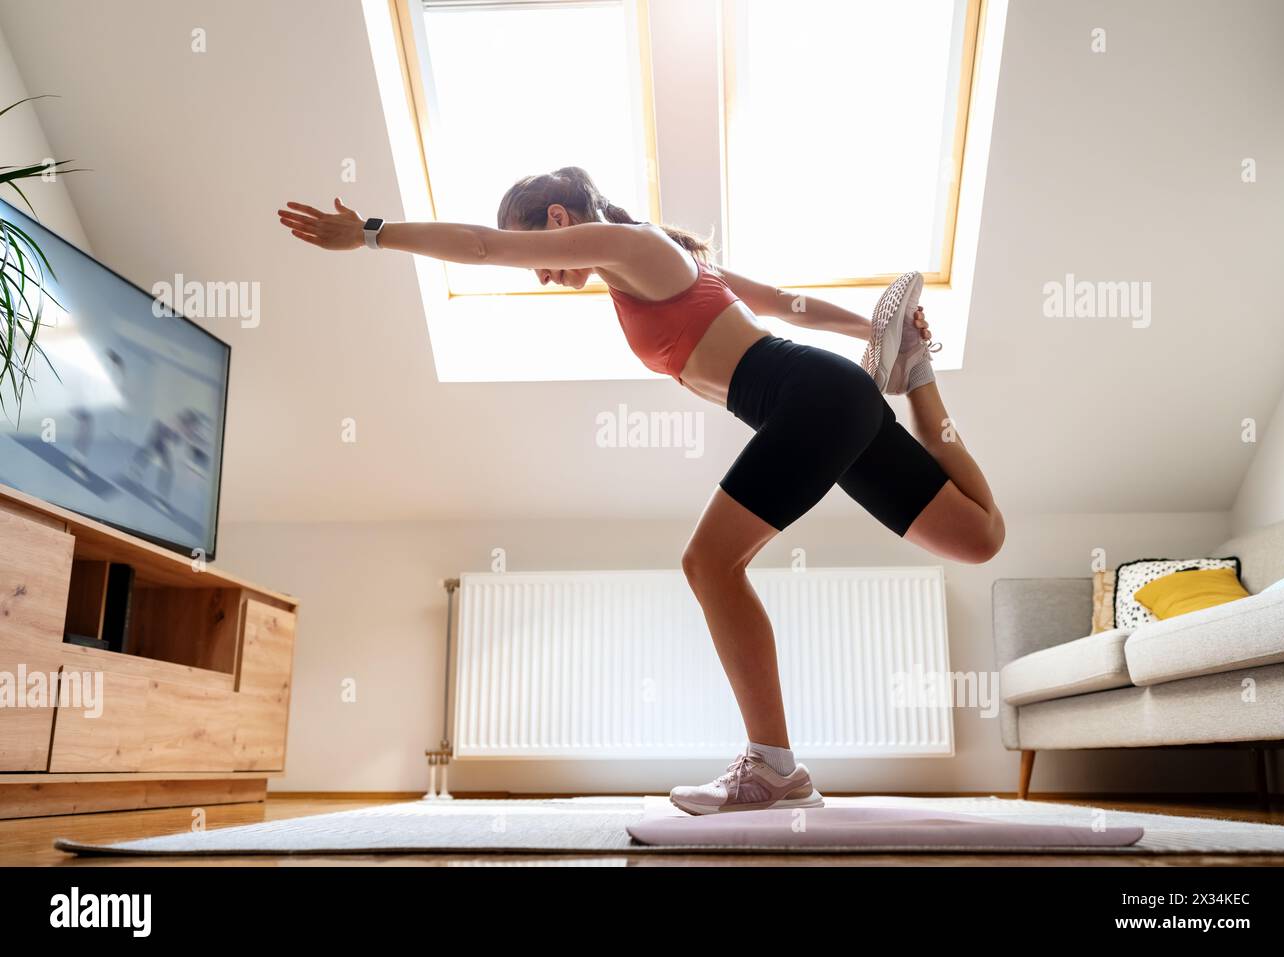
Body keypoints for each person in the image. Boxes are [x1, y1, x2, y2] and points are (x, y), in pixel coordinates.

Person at [277, 165, 1004, 815]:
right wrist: (883, 333)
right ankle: (918, 377)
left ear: (560, 221)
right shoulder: (673, 258)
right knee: (977, 537)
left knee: (708, 562)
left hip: (810, 396)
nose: (538, 273)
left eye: (537, 250)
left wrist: (370, 233)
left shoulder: (631, 245)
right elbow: (782, 303)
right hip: (830, 395)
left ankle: (775, 768)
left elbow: (483, 247)